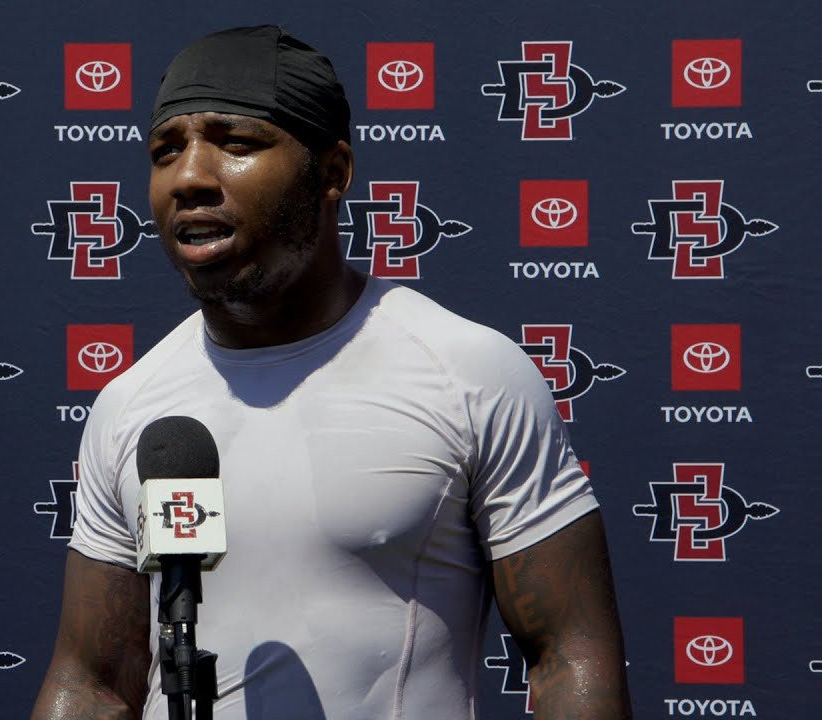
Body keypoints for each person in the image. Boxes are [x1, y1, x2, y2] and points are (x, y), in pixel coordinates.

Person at [32, 25, 631, 720]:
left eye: (236, 143)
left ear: (333, 172)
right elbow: (92, 682)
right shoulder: (130, 405)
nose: (190, 177)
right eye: (167, 151)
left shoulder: (468, 372)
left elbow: (569, 656)